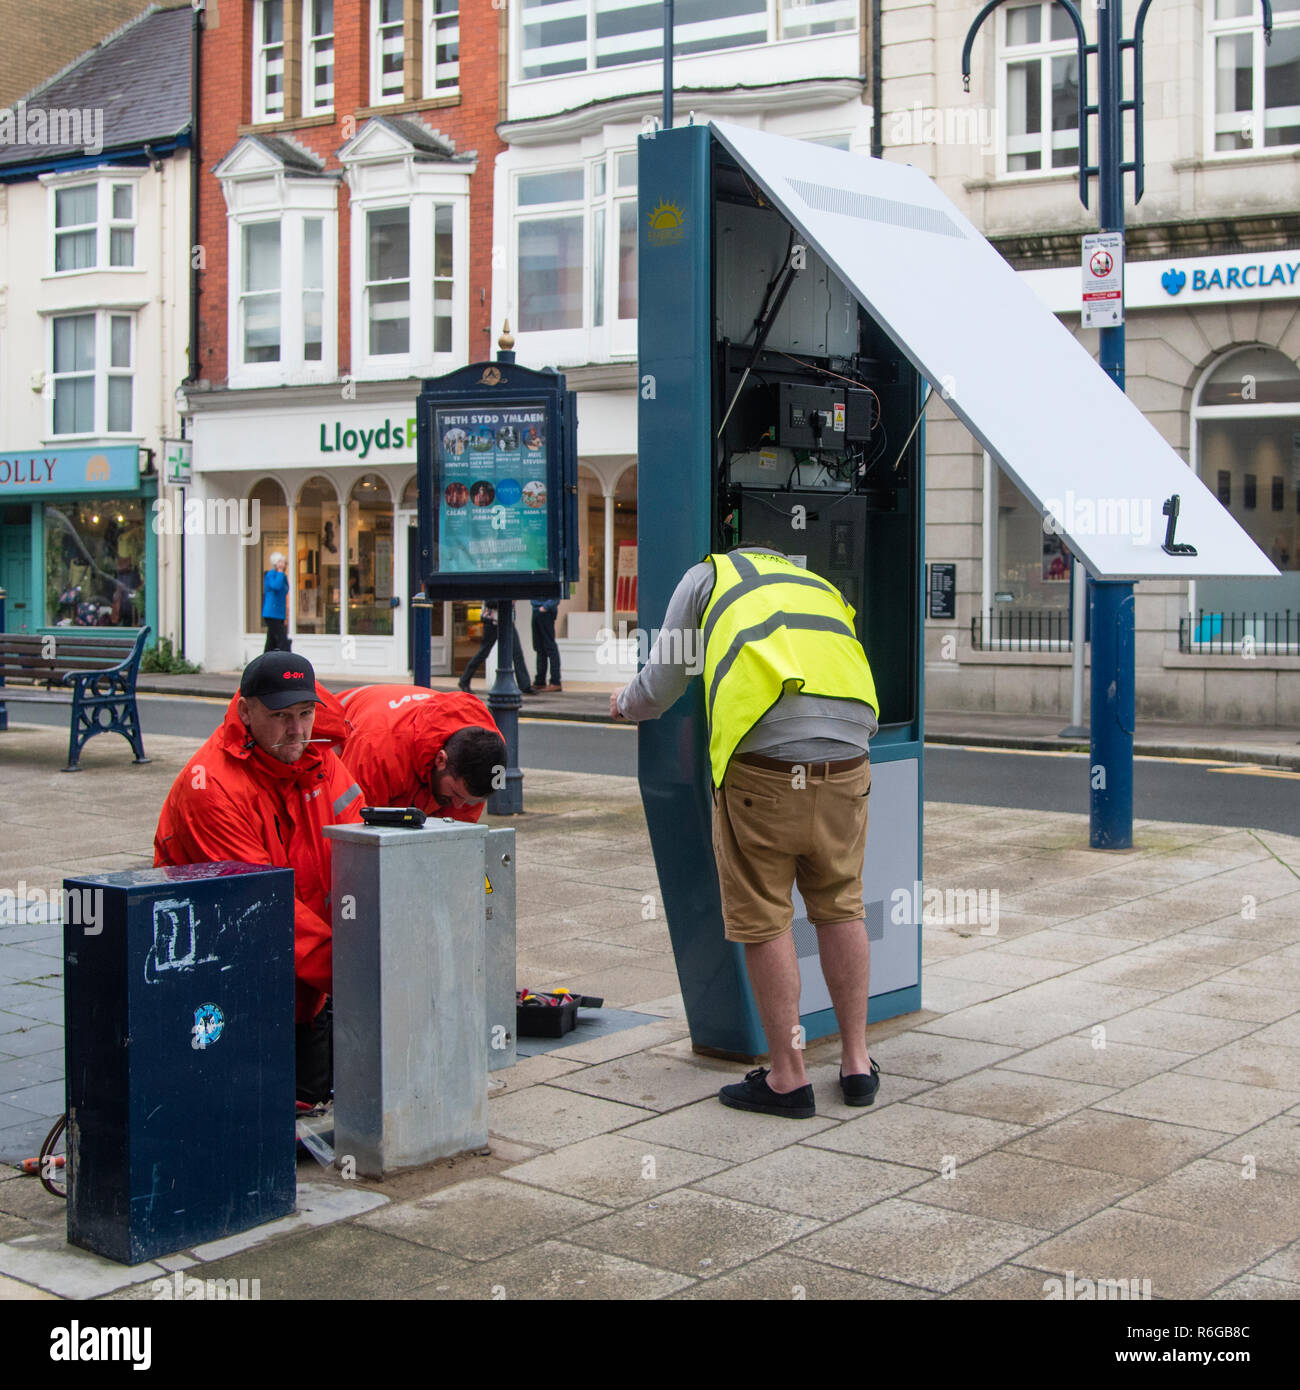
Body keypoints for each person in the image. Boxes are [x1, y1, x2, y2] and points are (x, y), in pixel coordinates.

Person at [611, 547, 880, 1118]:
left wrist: (624, 704)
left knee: (764, 914)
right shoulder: (816, 583)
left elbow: (661, 685)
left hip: (768, 764)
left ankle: (789, 1076)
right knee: (840, 905)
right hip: (850, 753)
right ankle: (857, 1064)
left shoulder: (707, 577)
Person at [153, 652, 363, 1105]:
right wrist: (355, 974)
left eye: (305, 714)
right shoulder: (210, 786)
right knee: (244, 1113)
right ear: (245, 712)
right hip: (229, 979)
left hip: (307, 978)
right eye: (280, 717)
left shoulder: (320, 759)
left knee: (307, 1107)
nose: (297, 729)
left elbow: (358, 854)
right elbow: (261, 906)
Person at [333, 684, 505, 820]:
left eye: (470, 800)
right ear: (440, 759)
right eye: (455, 794)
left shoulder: (483, 761)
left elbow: (453, 836)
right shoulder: (378, 751)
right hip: (328, 740)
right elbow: (350, 826)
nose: (459, 805)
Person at [459, 599, 536, 693]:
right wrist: (508, 600)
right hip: (492, 622)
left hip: (508, 622)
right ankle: (464, 680)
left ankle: (525, 685)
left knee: (517, 653)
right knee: (483, 652)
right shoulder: (493, 585)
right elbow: (489, 602)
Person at [530, 596, 562, 692]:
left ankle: (555, 682)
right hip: (536, 610)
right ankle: (540, 681)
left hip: (545, 611)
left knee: (550, 647)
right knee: (539, 647)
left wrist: (546, 607)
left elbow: (557, 594)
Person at [262, 552, 290, 652]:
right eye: (280, 562)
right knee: (282, 638)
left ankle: (266, 658)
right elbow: (276, 586)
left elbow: (286, 590)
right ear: (275, 563)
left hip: (279, 613)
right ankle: (287, 659)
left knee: (271, 641)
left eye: (283, 562)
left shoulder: (282, 576)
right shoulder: (271, 574)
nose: (282, 564)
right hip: (272, 613)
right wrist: (279, 572)